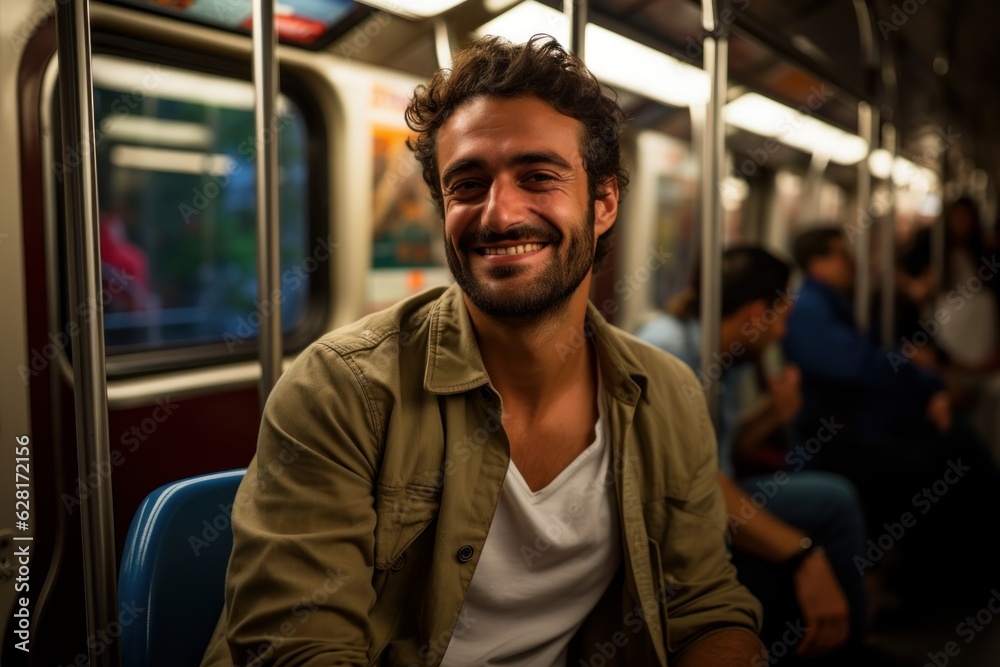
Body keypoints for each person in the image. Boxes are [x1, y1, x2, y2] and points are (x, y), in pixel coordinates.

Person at [200, 35, 763, 667]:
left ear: (603, 203)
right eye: (467, 184)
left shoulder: (667, 393)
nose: (499, 215)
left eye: (538, 177)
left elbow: (705, 606)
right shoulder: (341, 390)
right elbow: (299, 651)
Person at [637, 247, 866, 663]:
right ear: (756, 314)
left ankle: (850, 641)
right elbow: (697, 481)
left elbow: (721, 449)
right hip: (679, 517)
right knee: (820, 524)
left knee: (834, 498)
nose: (782, 334)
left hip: (722, 490)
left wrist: (771, 415)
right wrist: (801, 553)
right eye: (781, 319)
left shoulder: (726, 355)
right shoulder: (668, 351)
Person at [783, 226, 1000, 608]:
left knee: (954, 443)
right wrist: (925, 380)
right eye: (840, 253)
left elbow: (871, 366)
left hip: (852, 424)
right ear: (817, 263)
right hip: (830, 437)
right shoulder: (810, 310)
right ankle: (931, 585)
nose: (851, 261)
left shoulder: (832, 303)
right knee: (938, 459)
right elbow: (862, 366)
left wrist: (928, 389)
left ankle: (950, 577)